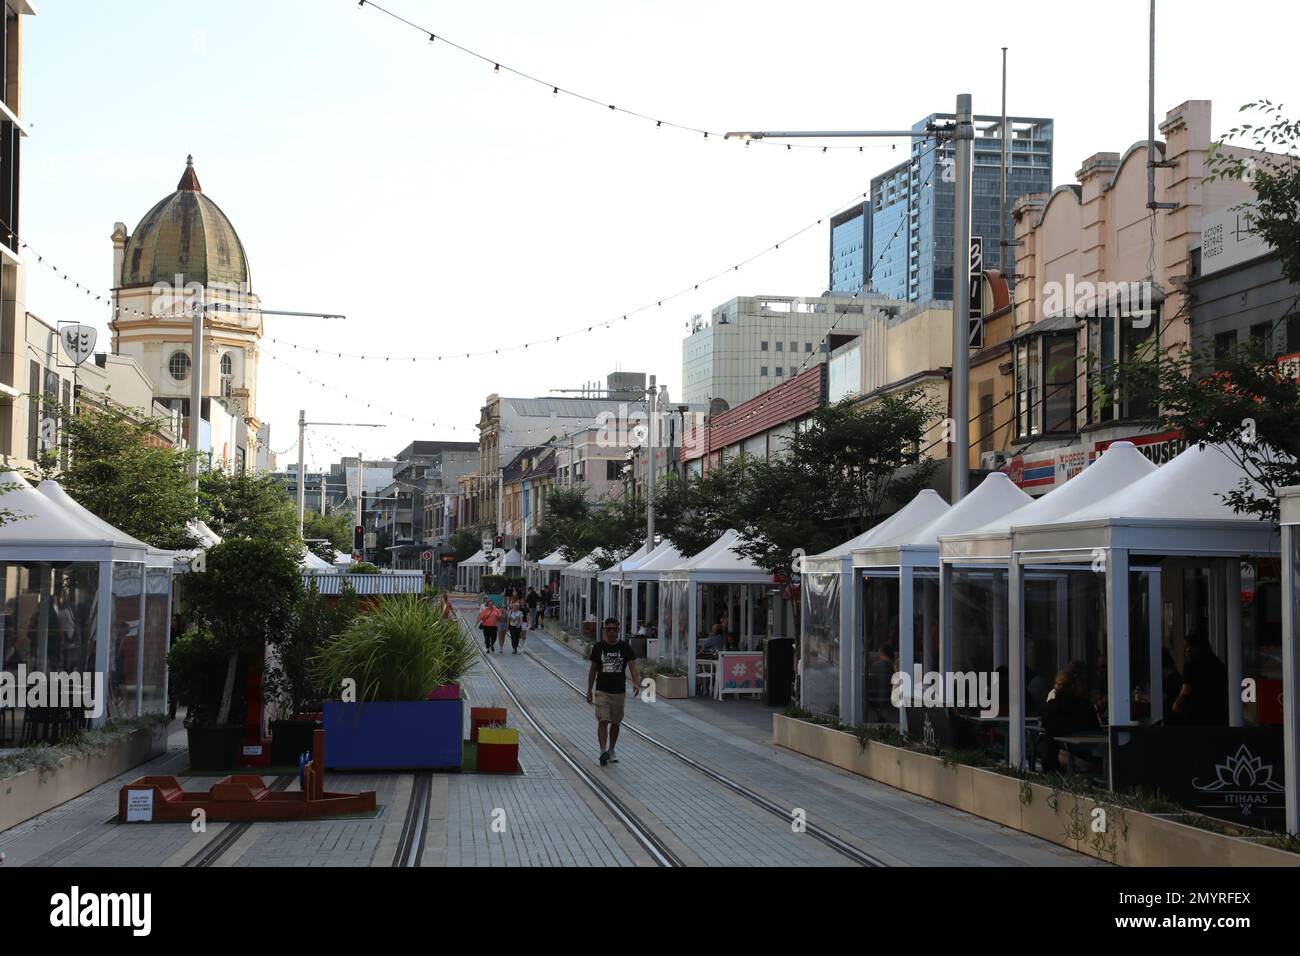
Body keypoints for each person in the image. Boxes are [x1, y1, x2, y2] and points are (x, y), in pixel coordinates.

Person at [585, 617, 639, 767]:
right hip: (602, 690)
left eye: (614, 629)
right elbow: (593, 669)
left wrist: (635, 682)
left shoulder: (624, 647)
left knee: (615, 723)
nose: (611, 632)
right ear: (604, 630)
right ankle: (603, 751)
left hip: (619, 691)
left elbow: (632, 665)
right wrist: (589, 690)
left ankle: (612, 749)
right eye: (608, 629)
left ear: (618, 631)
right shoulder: (598, 647)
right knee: (603, 720)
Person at [1037, 669, 1101, 773]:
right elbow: (1097, 731)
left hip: (1057, 759)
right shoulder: (1087, 706)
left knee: (1043, 742)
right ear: (1074, 686)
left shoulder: (1050, 707)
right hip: (1089, 756)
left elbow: (1046, 729)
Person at [1171, 631, 1228, 725]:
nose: (1186, 651)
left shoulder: (1191, 664)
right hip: (1218, 712)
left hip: (1197, 714)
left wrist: (1176, 705)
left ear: (1196, 648)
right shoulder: (1216, 662)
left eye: (1188, 648)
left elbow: (1186, 689)